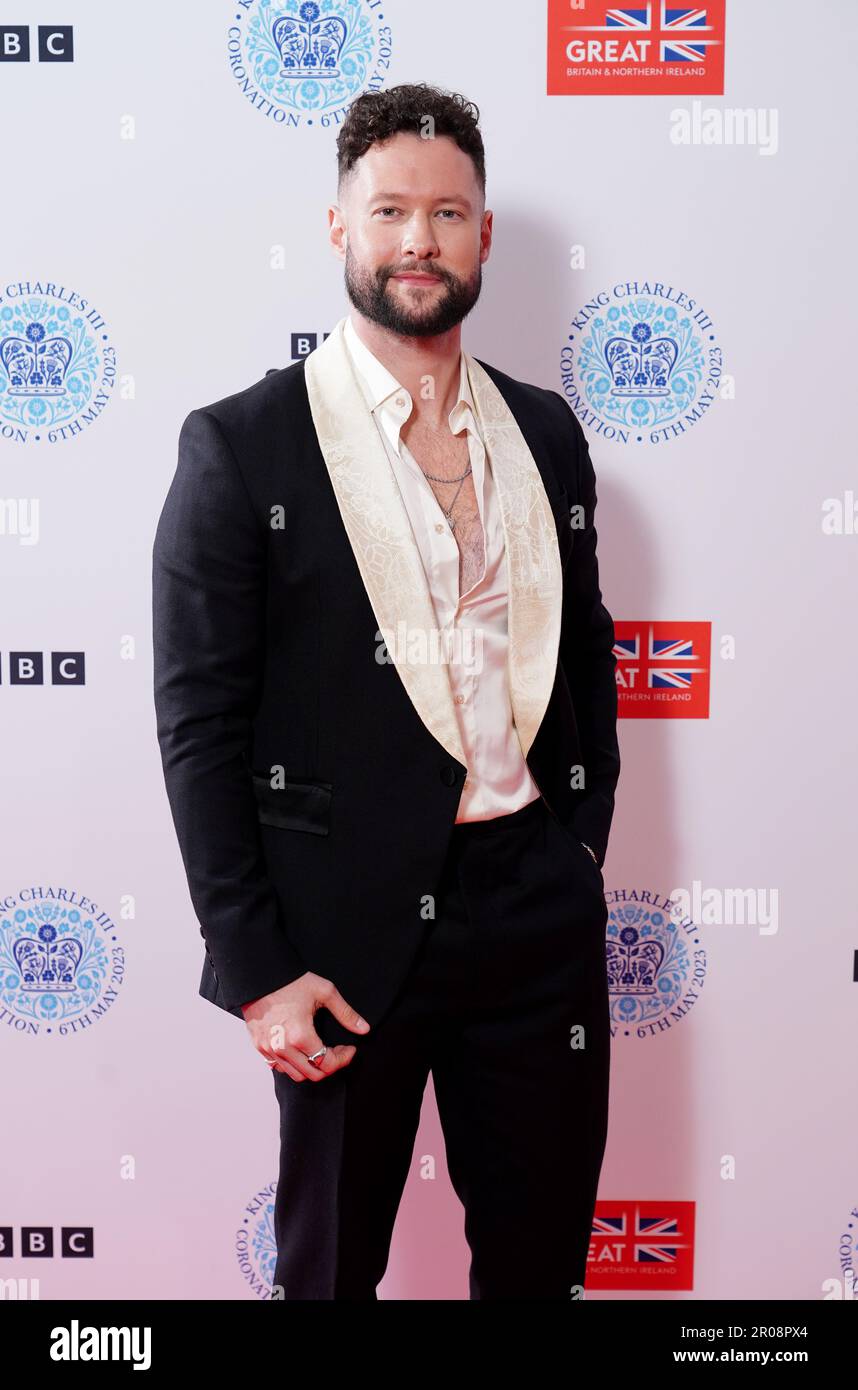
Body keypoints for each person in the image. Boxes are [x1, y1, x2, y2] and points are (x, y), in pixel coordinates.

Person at [152, 82, 620, 1301]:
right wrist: (254, 965)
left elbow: (586, 663)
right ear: (340, 229)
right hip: (341, 931)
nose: (421, 239)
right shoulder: (243, 445)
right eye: (394, 210)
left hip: (532, 914)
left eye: (449, 213)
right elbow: (200, 723)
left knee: (537, 1266)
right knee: (330, 1272)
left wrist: (574, 858)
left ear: (483, 237)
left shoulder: (547, 432)